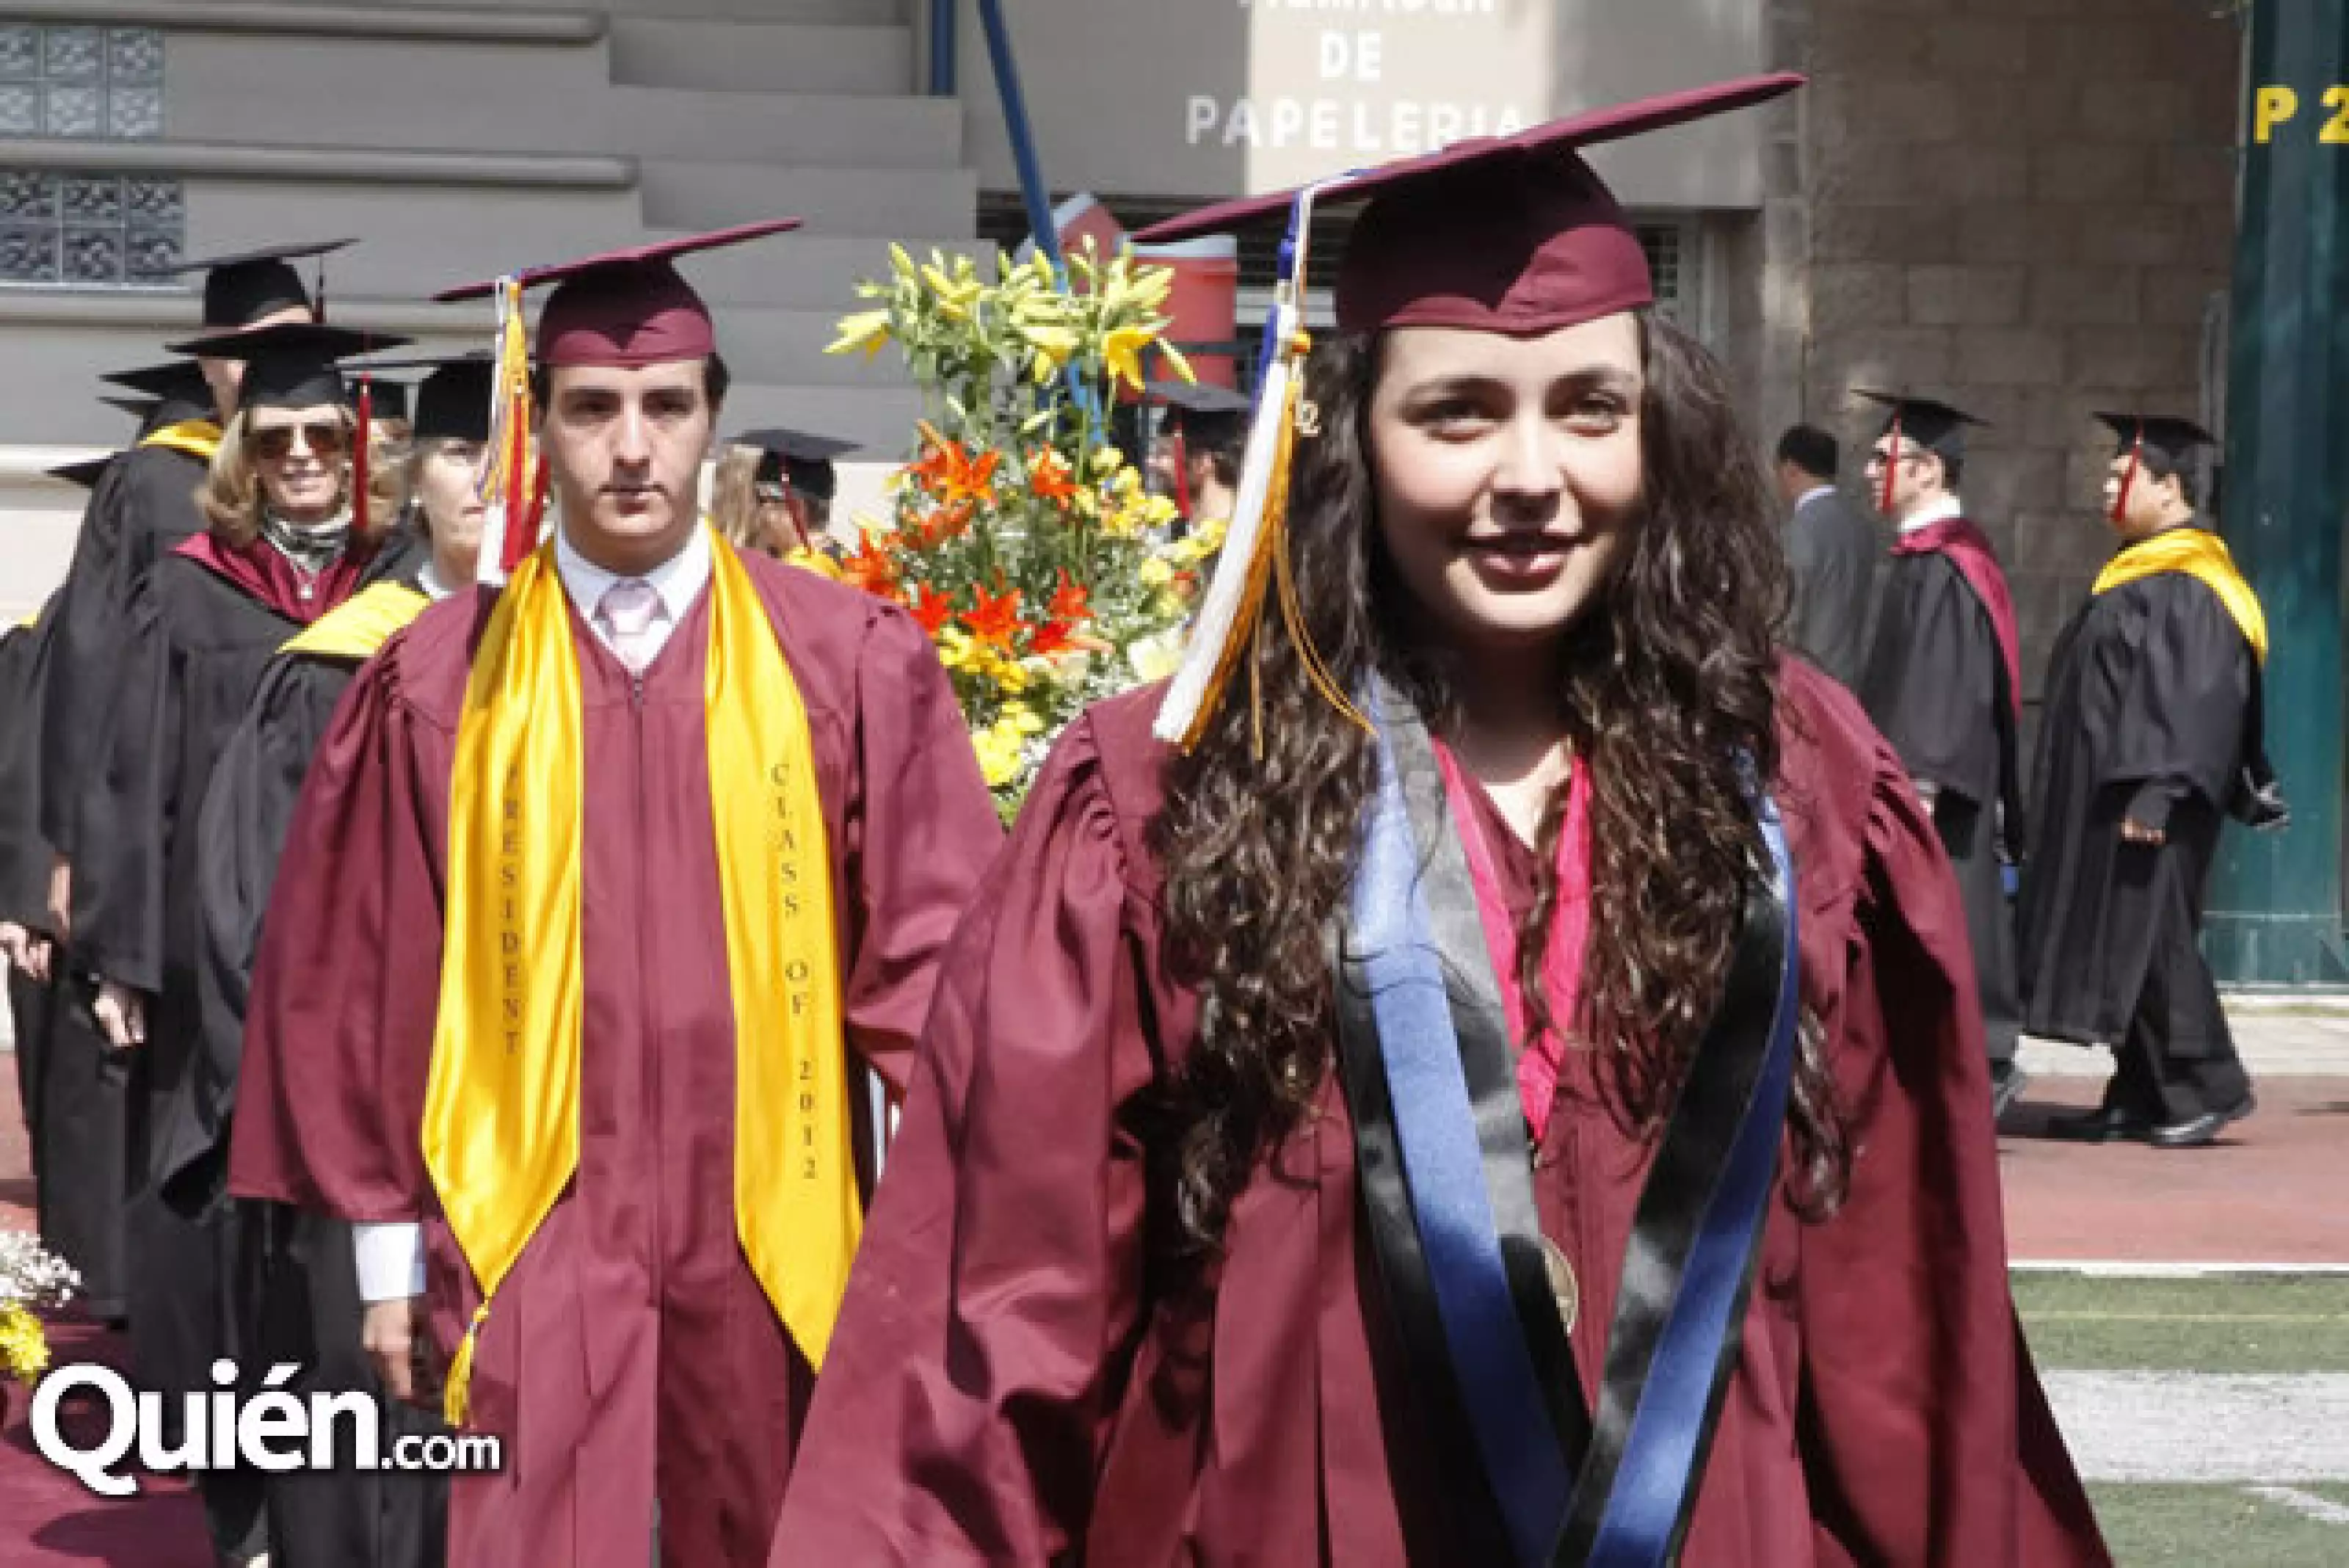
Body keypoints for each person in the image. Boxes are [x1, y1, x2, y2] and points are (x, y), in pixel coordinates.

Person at [771, 77, 2107, 1568]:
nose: (1530, 478)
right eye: (1457, 412)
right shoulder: (1169, 795)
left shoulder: (1801, 789)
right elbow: (994, 1348)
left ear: (1656, 426)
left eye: (1588, 407)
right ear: (1350, 435)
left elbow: (1904, 1341)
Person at [226, 222, 1003, 1568]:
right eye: (593, 409)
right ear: (539, 425)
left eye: (665, 407)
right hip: (529, 1215)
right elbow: (373, 982)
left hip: (774, 1208)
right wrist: (388, 1261)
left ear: (713, 422)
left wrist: (951, 1237)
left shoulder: (843, 660)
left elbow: (942, 969)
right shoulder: (437, 679)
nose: (632, 449)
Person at [73, 319, 405, 1568]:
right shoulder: (191, 585)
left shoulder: (396, 586)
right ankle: (251, 1503)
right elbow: (130, 770)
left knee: (345, 1238)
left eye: (324, 435)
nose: (303, 456)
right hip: (218, 956)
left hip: (365, 964)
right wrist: (119, 952)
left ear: (359, 448)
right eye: (276, 440)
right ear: (243, 456)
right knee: (225, 1226)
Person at [190, 355, 495, 1568]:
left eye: (513, 453)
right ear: (414, 476)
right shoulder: (344, 667)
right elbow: (266, 934)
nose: (493, 482)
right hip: (377, 1134)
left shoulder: (598, 665)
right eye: (464, 453)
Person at [37, 243, 351, 933]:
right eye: (247, 348)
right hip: (190, 815)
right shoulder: (153, 481)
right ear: (207, 362)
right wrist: (64, 847)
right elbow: (89, 657)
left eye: (294, 340)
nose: (268, 360)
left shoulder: (351, 491)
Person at [2019, 415, 2277, 1150]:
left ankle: (2207, 1086)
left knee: (2155, 943)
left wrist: (2159, 791)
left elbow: (2195, 700)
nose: (2106, 486)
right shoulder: (2139, 572)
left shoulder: (2195, 584)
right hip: (2114, 795)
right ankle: (2138, 1092)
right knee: (2121, 940)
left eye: (2120, 475)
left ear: (2168, 489)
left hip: (2152, 797)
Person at [1854, 391, 2027, 1117]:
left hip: (1939, 792)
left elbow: (1942, 681)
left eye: (1882, 458)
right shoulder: (1927, 559)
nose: (1869, 471)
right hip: (1921, 784)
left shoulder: (1948, 565)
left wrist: (1917, 787)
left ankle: (1983, 1061)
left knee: (1951, 918)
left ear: (1926, 469)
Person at [1774, 423, 1877, 688]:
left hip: (1808, 685)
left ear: (1790, 469)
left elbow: (1786, 616)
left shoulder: (1798, 532)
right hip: (1856, 682)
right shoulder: (1863, 527)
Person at [711, 427, 857, 559]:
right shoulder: (845, 558)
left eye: (762, 501)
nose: (760, 514)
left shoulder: (802, 567)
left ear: (797, 509)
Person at [1146, 377, 1249, 531]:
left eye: (1164, 453)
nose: (1150, 462)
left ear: (1203, 463)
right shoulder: (1182, 531)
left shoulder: (1243, 538)